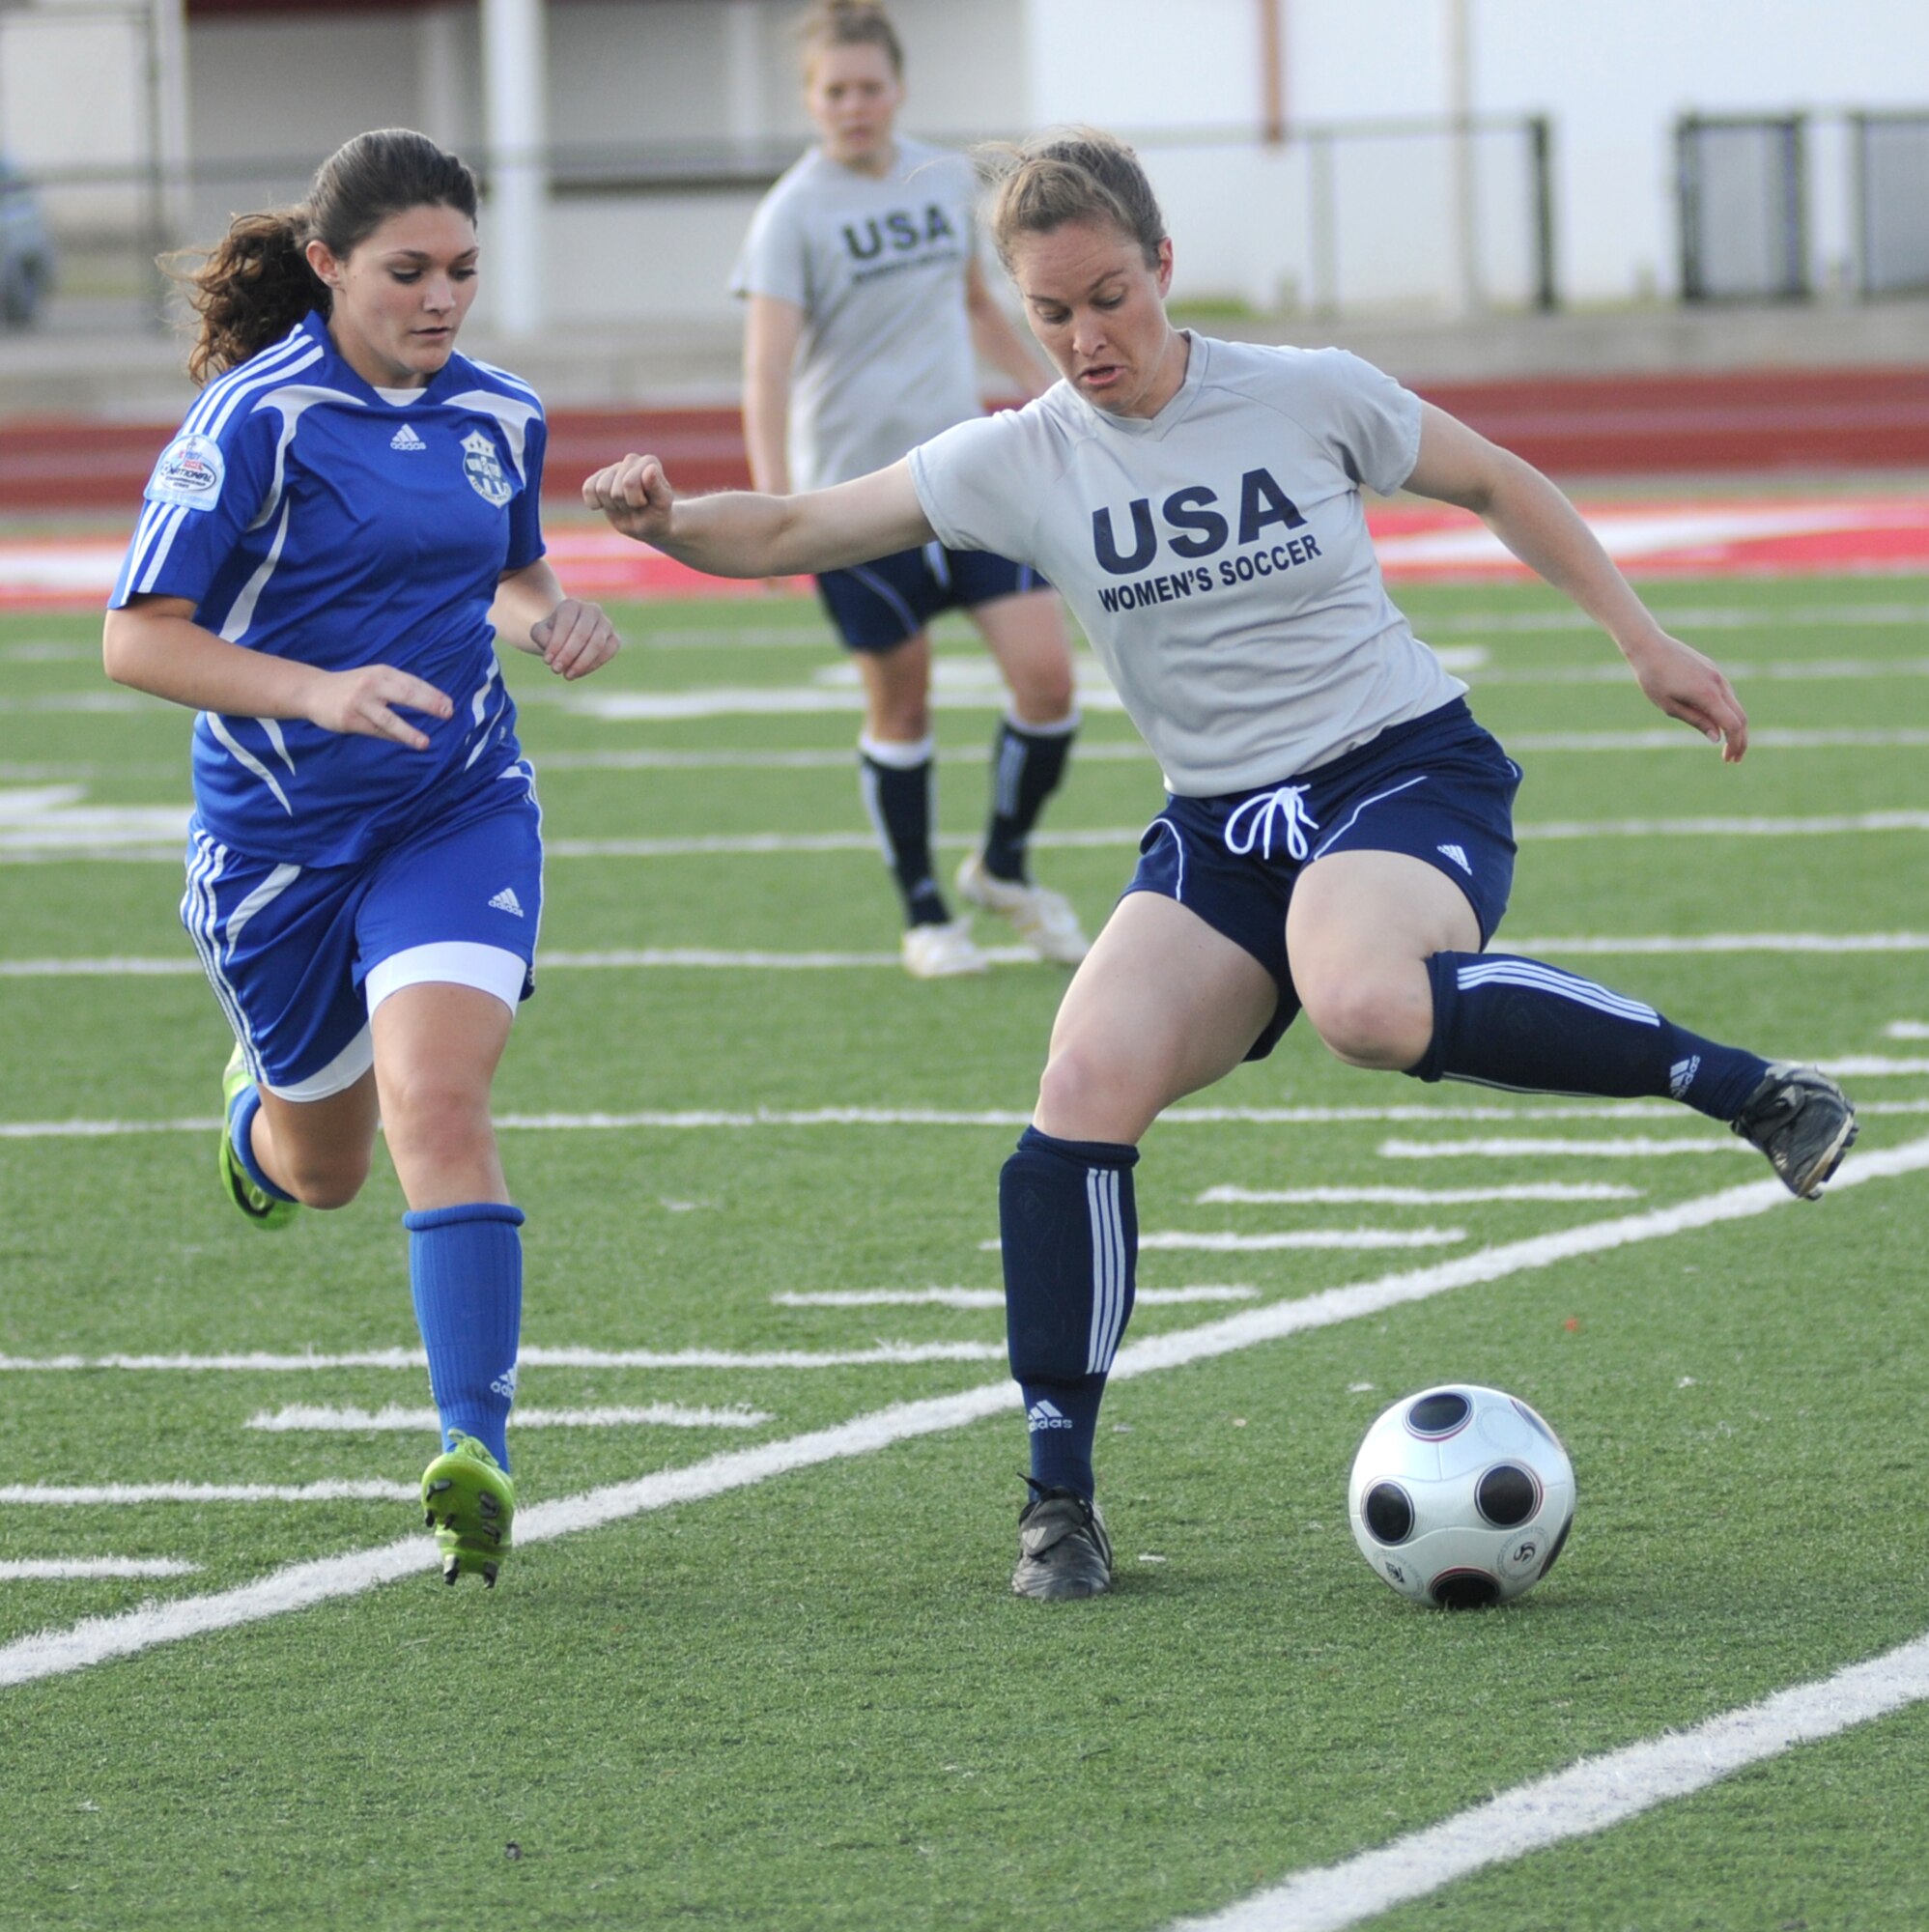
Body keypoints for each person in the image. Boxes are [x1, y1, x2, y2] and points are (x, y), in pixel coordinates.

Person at [584, 128, 1858, 1603]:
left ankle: (1750, 1089)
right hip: (1219, 831)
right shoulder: (1019, 457)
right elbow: (804, 522)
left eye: (1108, 296)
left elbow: (1496, 481)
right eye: (1050, 312)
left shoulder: (1303, 392)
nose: (1084, 337)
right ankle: (1057, 1501)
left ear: (1163, 267)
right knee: (1077, 1088)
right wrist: (672, 522)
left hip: (1400, 773)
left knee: (1365, 999)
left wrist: (1643, 639)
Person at [102, 128, 622, 1588]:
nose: (442, 297)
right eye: (408, 272)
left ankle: (477, 1452)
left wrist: (549, 617)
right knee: (322, 1169)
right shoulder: (253, 422)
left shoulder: (501, 412)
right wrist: (317, 691)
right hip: (277, 844)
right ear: (327, 267)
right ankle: (255, 1130)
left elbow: (507, 570)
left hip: (454, 805)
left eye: (462, 269)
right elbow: (136, 638)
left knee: (437, 1101)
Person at [732, 0, 1088, 978]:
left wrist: (1061, 401)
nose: (853, 105)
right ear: (810, 99)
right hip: (855, 501)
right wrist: (772, 509)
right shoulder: (790, 214)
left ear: (897, 88)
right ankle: (925, 912)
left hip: (971, 476)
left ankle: (1004, 867)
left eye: (868, 86)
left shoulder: (939, 183)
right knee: (904, 703)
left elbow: (980, 305)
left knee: (1050, 685)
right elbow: (764, 369)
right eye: (833, 90)